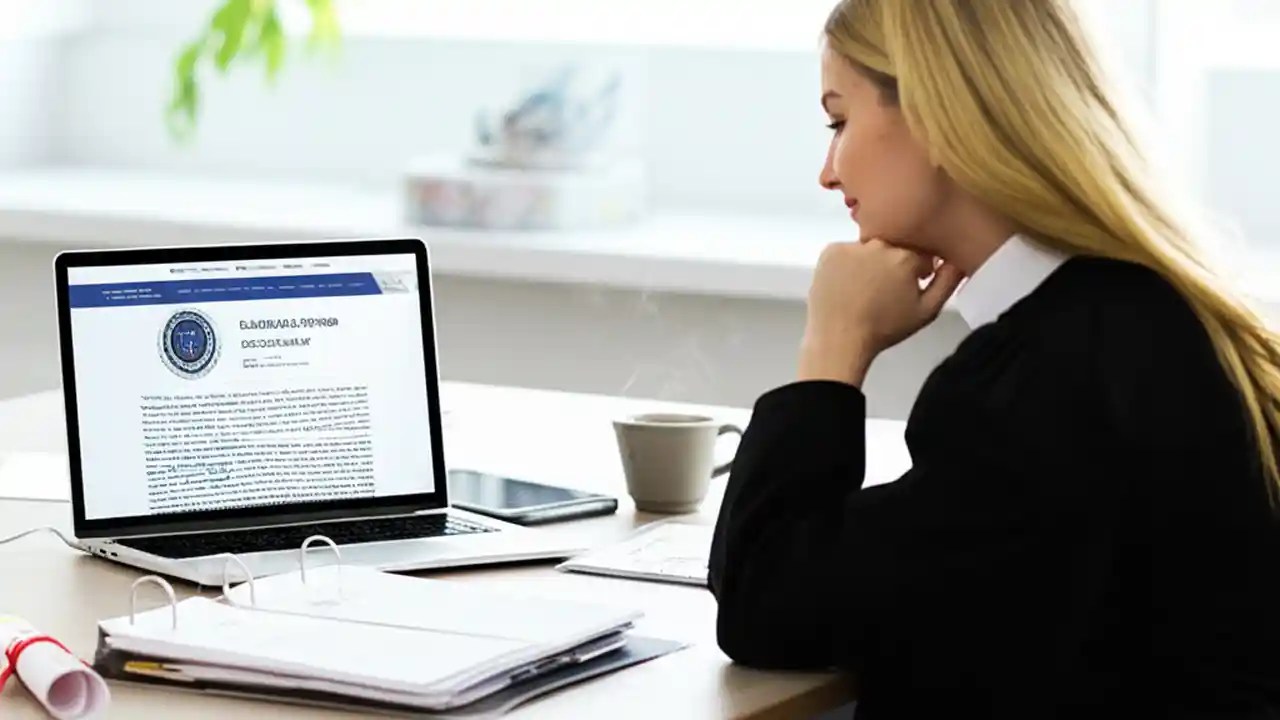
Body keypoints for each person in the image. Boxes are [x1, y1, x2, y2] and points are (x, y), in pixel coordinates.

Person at [707, 1, 1280, 718]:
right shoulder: (1152, 319)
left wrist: (831, 351)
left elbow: (770, 608)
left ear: (939, 115)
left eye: (839, 120)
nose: (827, 172)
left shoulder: (1037, 388)